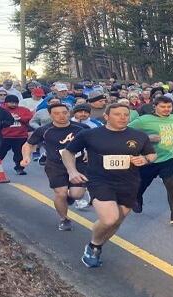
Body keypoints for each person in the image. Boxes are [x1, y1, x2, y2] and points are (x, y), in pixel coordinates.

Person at [60, 104, 157, 268]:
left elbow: (151, 153)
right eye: (117, 114)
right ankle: (94, 245)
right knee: (109, 218)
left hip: (129, 182)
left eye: (126, 115)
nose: (122, 117)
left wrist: (146, 160)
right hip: (100, 180)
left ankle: (96, 247)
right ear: (106, 116)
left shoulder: (139, 136)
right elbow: (68, 152)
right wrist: (72, 171)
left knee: (117, 221)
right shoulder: (90, 134)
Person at [22, 103, 89, 230]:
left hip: (78, 164)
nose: (61, 116)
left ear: (69, 113)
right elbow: (28, 145)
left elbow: (93, 142)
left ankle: (70, 197)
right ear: (50, 115)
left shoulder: (82, 128)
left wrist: (88, 152)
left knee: (77, 195)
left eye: (64, 113)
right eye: (57, 113)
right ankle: (64, 219)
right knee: (60, 193)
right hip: (55, 165)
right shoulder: (44, 130)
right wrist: (26, 157)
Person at [128, 97, 173, 224]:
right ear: (154, 106)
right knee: (141, 184)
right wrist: (147, 137)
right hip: (148, 159)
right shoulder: (143, 120)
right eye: (163, 107)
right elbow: (126, 132)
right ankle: (137, 198)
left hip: (167, 158)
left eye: (169, 107)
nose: (166, 109)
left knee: (172, 184)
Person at [0, 95, 34, 175]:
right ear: (6, 103)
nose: (13, 104)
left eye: (15, 103)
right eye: (11, 103)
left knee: (19, 153)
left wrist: (19, 118)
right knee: (0, 153)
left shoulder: (24, 110)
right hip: (4, 136)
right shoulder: (1, 110)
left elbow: (29, 118)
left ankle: (19, 168)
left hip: (20, 136)